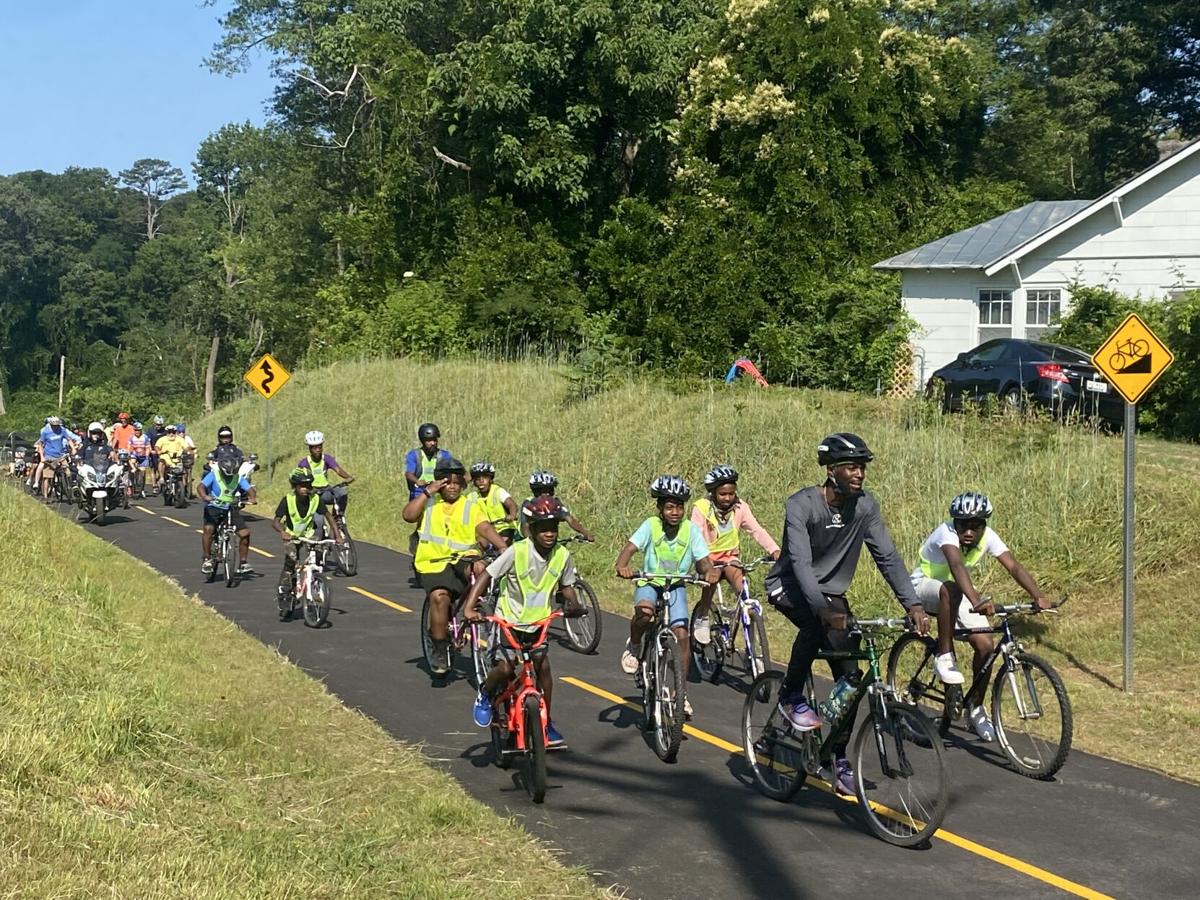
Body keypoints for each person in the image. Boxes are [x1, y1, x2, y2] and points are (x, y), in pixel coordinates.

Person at [765, 433, 929, 795]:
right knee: (813, 624)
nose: (859, 474)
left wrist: (912, 604)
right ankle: (790, 694)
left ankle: (836, 759)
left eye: (863, 468)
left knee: (852, 678)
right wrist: (822, 610)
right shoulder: (801, 505)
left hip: (831, 594)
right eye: (852, 467)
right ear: (831, 469)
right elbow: (803, 566)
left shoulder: (865, 506)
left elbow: (886, 556)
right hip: (790, 586)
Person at [911, 491, 1052, 741]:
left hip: (955, 593)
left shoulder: (989, 537)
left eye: (975, 526)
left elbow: (1013, 566)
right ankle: (944, 655)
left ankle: (976, 709)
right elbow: (957, 566)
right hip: (924, 587)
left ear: (984, 524)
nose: (968, 531)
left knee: (986, 645)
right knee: (951, 589)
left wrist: (1037, 595)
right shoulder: (946, 533)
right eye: (963, 524)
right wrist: (976, 600)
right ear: (955, 522)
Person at [462, 496, 580, 747]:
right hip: (509, 622)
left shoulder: (562, 555)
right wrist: (469, 607)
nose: (550, 533)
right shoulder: (517, 552)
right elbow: (487, 575)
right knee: (506, 668)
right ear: (532, 529)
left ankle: (546, 722)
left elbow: (567, 587)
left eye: (554, 528)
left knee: (542, 667)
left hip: (538, 624)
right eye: (544, 528)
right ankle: (485, 694)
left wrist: (575, 604)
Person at [614, 475, 718, 719]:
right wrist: (623, 566)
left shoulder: (690, 530)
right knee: (644, 613)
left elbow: (703, 561)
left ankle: (680, 693)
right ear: (660, 509)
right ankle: (635, 644)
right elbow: (630, 548)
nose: (675, 512)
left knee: (682, 634)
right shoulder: (650, 525)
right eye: (670, 507)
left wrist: (710, 571)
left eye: (679, 507)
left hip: (676, 586)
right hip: (650, 581)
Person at [402, 457, 509, 677]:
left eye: (456, 482)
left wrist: (504, 549)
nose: (452, 486)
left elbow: (485, 528)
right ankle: (440, 648)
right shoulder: (429, 503)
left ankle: (483, 608)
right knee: (440, 597)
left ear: (462, 484)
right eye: (446, 481)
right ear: (439, 482)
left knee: (481, 568)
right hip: (433, 563)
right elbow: (408, 515)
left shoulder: (470, 506)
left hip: (464, 559)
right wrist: (427, 492)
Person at [690, 465, 781, 645]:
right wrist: (707, 562)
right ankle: (703, 616)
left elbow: (756, 530)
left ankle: (750, 632)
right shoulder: (701, 508)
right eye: (723, 494)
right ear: (713, 493)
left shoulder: (740, 507)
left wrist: (775, 550)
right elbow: (694, 539)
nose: (728, 498)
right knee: (712, 579)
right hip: (706, 558)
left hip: (730, 558)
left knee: (742, 587)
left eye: (731, 493)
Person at [272, 467, 344, 606]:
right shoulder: (287, 500)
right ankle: (284, 589)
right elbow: (275, 521)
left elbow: (329, 517)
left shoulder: (315, 499)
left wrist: (338, 535)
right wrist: (283, 532)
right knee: (291, 560)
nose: (305, 489)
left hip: (309, 534)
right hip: (292, 536)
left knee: (317, 556)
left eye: (308, 485)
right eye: (302, 486)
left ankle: (313, 582)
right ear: (295, 486)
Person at [198, 453, 257, 575]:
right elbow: (201, 486)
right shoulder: (214, 475)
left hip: (230, 508)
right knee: (209, 529)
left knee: (245, 533)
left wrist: (252, 498)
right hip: (213, 506)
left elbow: (249, 489)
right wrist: (205, 496)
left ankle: (243, 563)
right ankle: (207, 559)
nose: (230, 475)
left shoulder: (238, 478)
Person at [521, 471, 595, 542]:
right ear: (535, 491)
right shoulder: (529, 504)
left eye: (550, 490)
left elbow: (570, 520)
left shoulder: (555, 503)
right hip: (527, 540)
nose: (547, 494)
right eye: (543, 491)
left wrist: (585, 533)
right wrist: (530, 543)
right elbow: (525, 526)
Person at [296, 430, 354, 517]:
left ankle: (337, 517)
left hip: (326, 491)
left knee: (342, 492)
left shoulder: (326, 458)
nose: (318, 450)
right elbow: (300, 482)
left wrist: (348, 478)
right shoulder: (304, 463)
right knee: (319, 521)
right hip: (313, 495)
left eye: (320, 447)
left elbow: (338, 470)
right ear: (310, 449)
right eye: (315, 448)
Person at [468, 461, 519, 546]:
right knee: (480, 544)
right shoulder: (472, 497)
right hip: (487, 530)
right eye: (477, 479)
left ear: (490, 479)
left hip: (504, 528)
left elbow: (511, 504)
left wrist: (512, 515)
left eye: (484, 477)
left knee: (503, 544)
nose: (481, 481)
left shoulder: (498, 491)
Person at [35, 415, 81, 501]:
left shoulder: (62, 430)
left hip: (61, 455)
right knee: (47, 477)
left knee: (68, 472)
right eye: (54, 426)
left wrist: (73, 448)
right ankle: (45, 496)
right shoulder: (45, 432)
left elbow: (69, 439)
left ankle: (69, 488)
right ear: (51, 425)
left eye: (57, 425)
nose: (56, 427)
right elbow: (40, 444)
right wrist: (42, 456)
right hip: (50, 456)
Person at [126, 422, 153, 496]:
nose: (137, 432)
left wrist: (147, 457)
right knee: (131, 461)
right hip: (135, 454)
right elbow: (128, 448)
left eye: (138, 430)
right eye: (135, 430)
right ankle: (132, 484)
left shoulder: (145, 437)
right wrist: (128, 454)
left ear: (141, 430)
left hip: (143, 456)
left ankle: (142, 489)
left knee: (143, 472)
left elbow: (148, 448)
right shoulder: (131, 437)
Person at [178, 424, 197, 498]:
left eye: (183, 432)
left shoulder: (187, 438)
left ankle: (187, 488)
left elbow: (193, 447)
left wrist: (195, 453)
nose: (181, 434)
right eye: (179, 432)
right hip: (178, 457)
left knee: (188, 471)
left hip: (187, 457)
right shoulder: (176, 439)